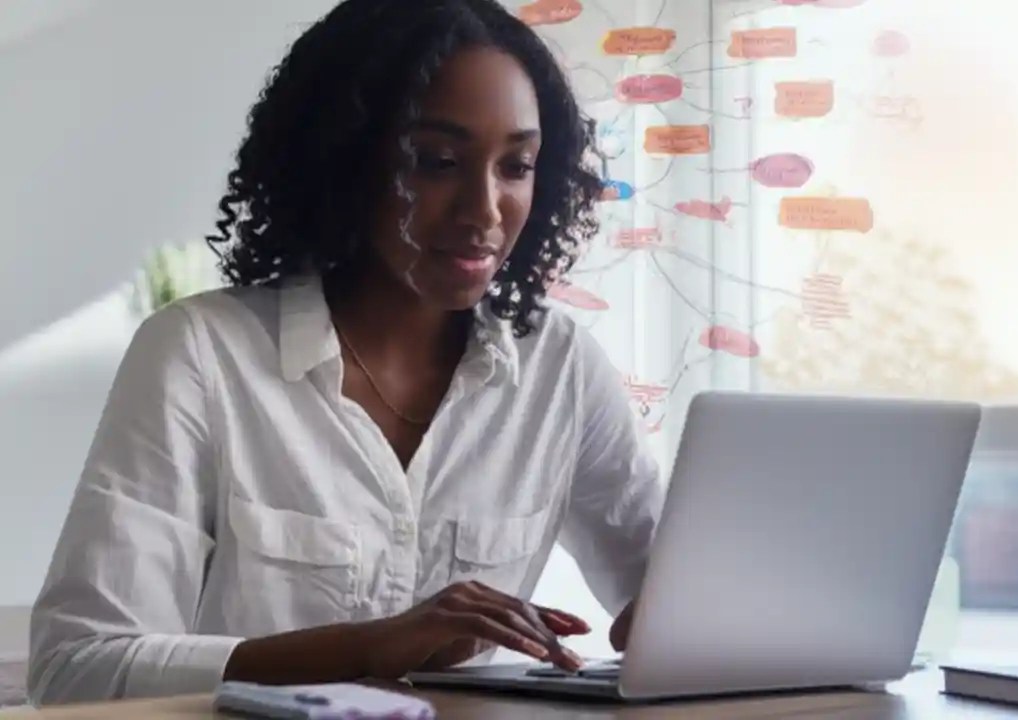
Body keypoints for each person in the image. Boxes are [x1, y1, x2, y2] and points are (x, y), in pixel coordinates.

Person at [27, 0, 664, 705]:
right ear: (343, 159)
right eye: (438, 162)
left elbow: (676, 598)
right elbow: (76, 670)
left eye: (516, 166)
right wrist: (368, 646)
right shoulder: (203, 356)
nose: (484, 211)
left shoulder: (559, 369)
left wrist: (687, 626)